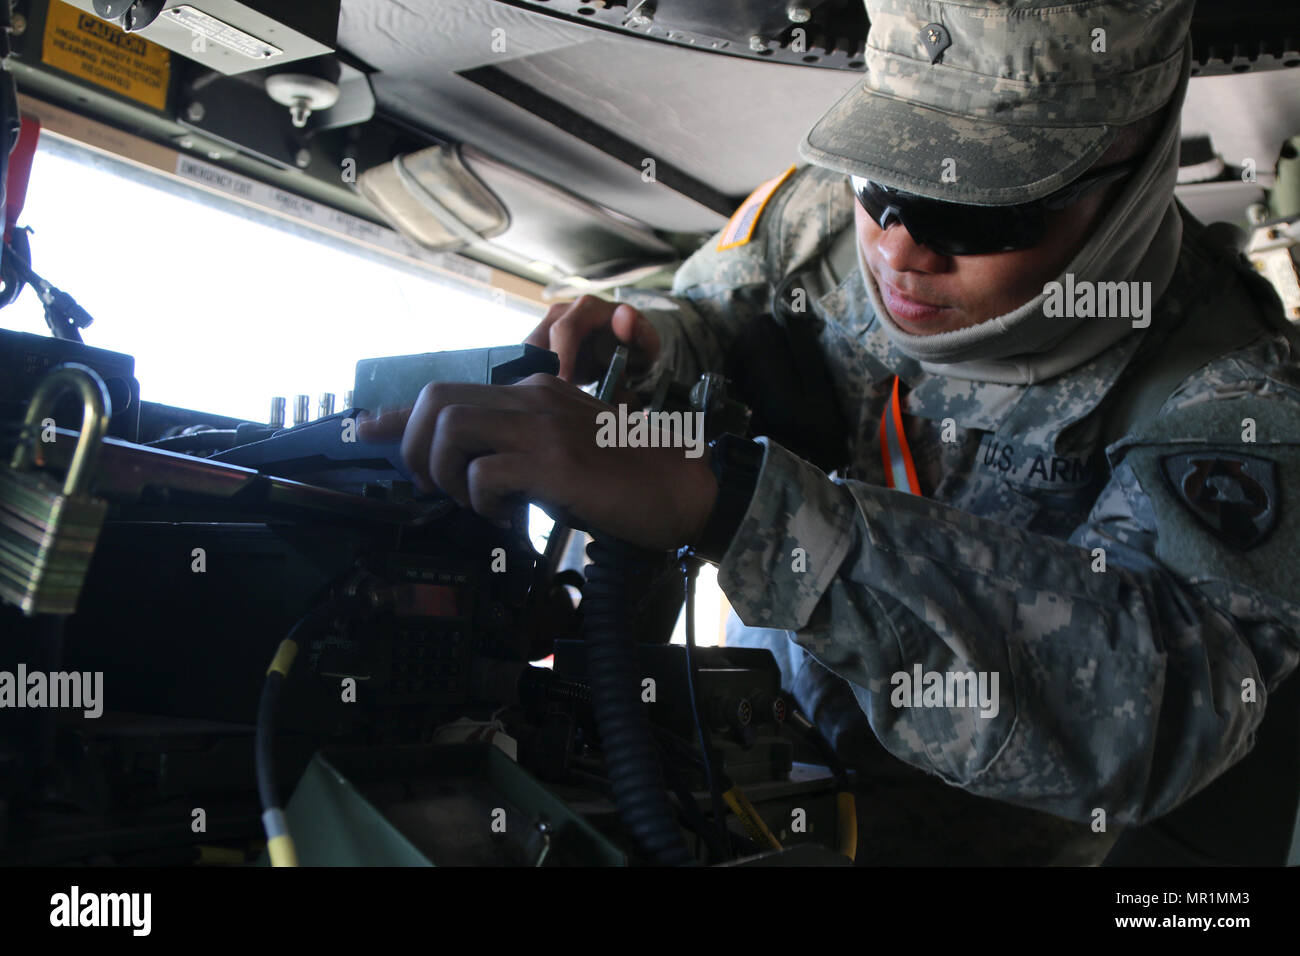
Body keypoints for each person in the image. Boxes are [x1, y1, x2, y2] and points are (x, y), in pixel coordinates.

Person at [361, 0, 1300, 864]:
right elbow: (709, 306)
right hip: (757, 760)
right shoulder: (816, 214)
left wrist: (732, 505)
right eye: (878, 178)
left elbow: (1169, 711)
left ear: (1127, 181)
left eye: (973, 208)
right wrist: (649, 349)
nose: (897, 246)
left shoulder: (1230, 385)